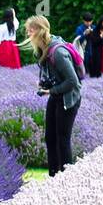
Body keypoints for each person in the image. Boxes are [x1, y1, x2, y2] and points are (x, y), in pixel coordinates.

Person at [23, 15, 82, 178]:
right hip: (57, 95)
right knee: (50, 137)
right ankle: (53, 177)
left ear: (40, 32)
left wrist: (52, 91)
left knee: (62, 139)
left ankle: (67, 179)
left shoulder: (58, 53)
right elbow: (53, 75)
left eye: (31, 30)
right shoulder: (43, 50)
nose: (28, 34)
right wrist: (45, 85)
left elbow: (72, 81)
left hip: (69, 98)